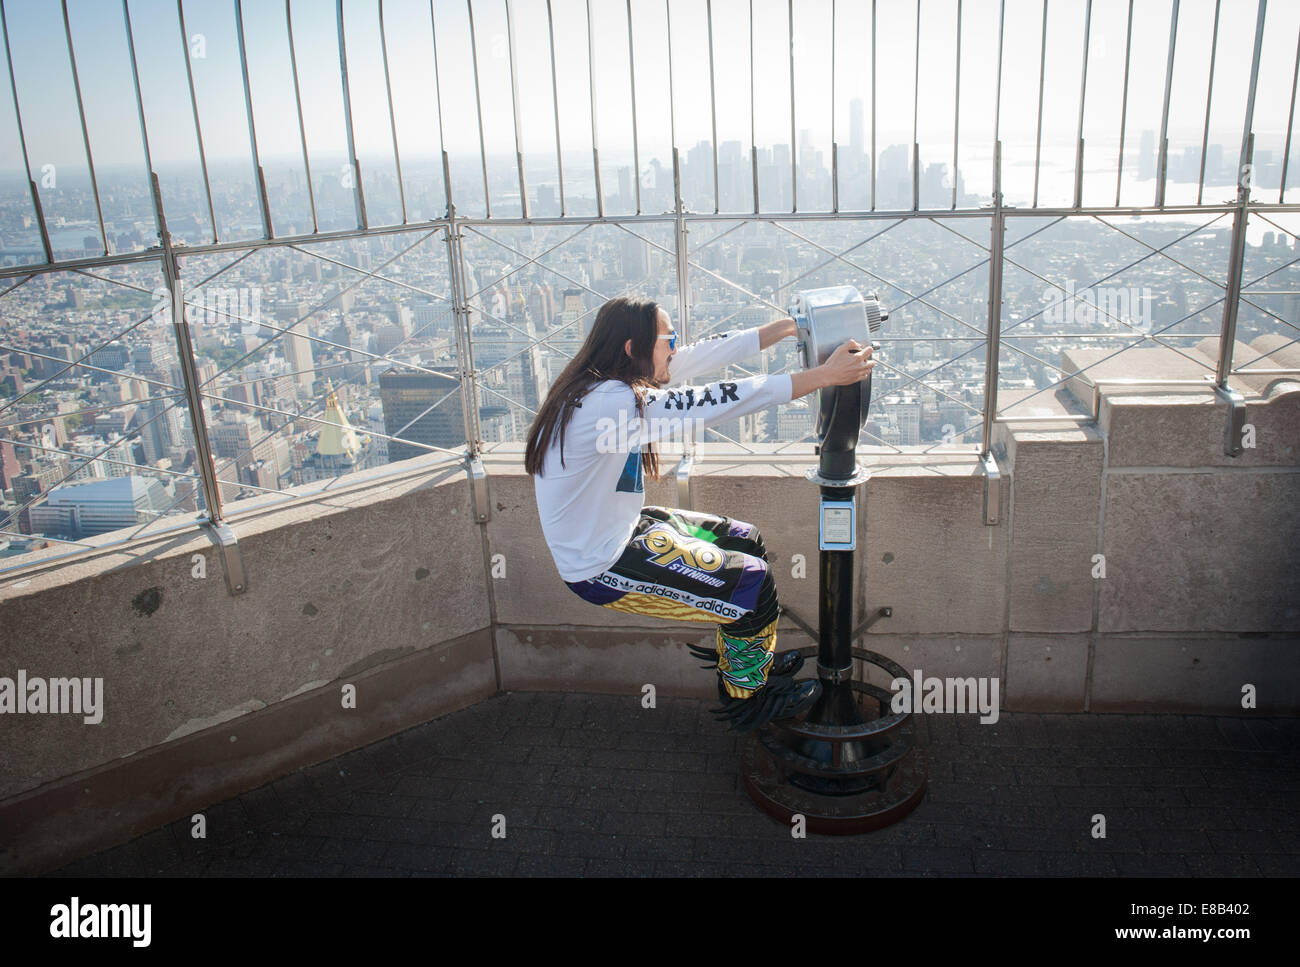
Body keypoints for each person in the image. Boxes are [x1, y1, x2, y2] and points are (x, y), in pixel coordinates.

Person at [525, 296, 874, 731]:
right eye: (667, 340)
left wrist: (786, 328)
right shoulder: (610, 404)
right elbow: (716, 400)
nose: (675, 348)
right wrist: (824, 376)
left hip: (624, 529)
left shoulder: (610, 380)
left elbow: (699, 356)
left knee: (744, 539)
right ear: (633, 348)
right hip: (600, 564)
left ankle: (745, 658)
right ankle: (747, 697)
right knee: (753, 585)